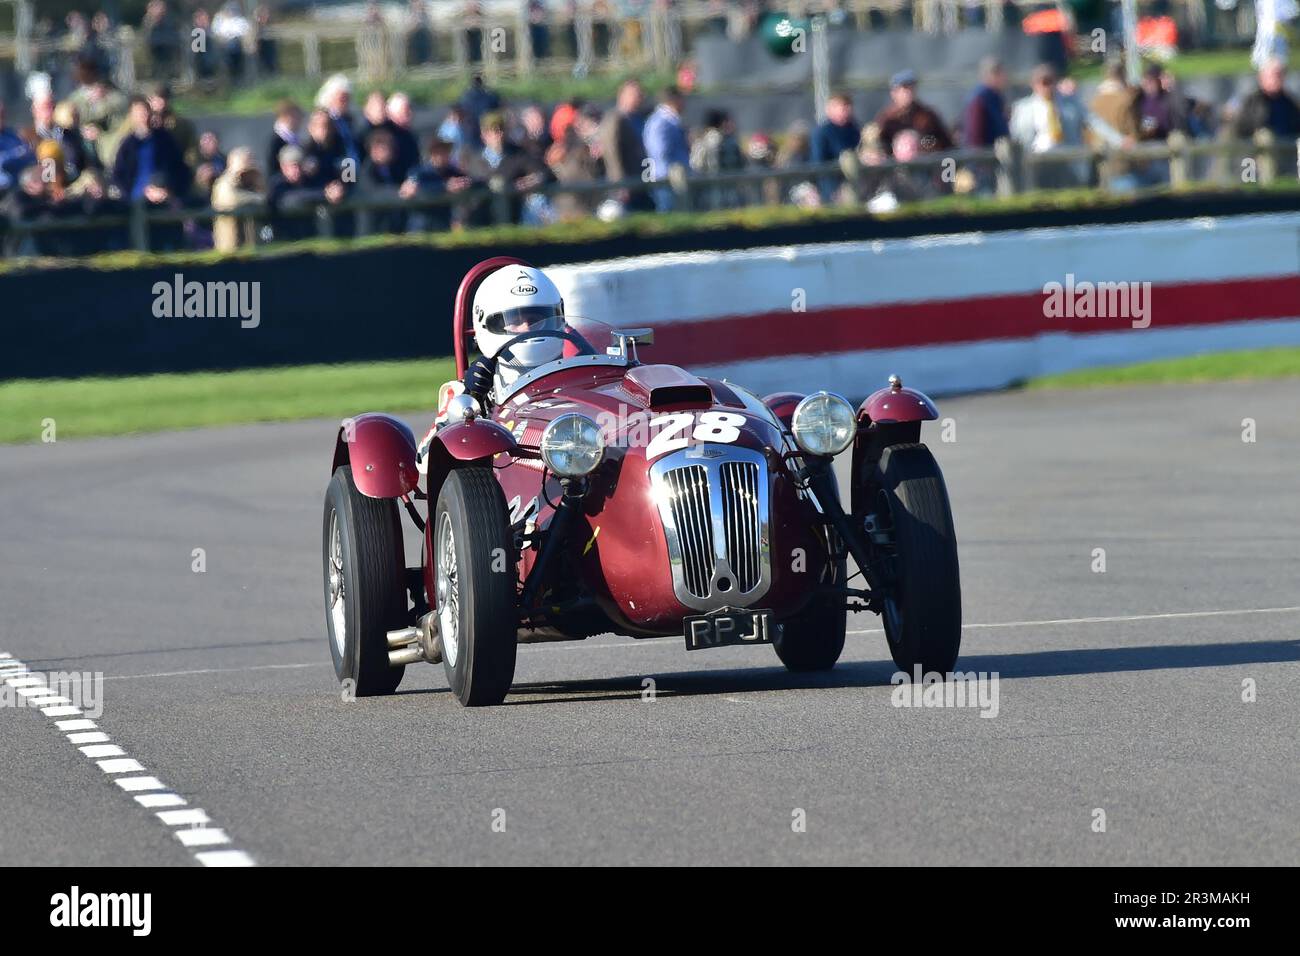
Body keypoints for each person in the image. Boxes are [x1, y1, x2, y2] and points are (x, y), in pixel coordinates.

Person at [461, 264, 569, 406]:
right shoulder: (464, 392)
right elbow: (443, 427)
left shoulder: (576, 369)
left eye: (536, 320)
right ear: (486, 323)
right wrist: (471, 397)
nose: (526, 329)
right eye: (515, 321)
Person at [460, 111, 552, 225]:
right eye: (493, 131)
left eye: (501, 130)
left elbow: (543, 173)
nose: (498, 135)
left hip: (514, 216)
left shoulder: (518, 154)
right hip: (483, 218)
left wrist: (531, 181)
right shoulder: (474, 160)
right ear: (484, 135)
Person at [1010, 63, 1086, 186]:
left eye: (1050, 82)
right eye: (1044, 83)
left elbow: (1094, 121)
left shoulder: (1070, 103)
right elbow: (1016, 135)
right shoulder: (1023, 107)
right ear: (1034, 84)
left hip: (1066, 160)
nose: (1047, 87)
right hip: (1037, 161)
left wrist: (1119, 140)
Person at [598, 78, 651, 211]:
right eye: (635, 94)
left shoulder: (638, 118)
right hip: (626, 183)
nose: (639, 98)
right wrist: (620, 182)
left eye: (640, 94)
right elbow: (611, 151)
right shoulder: (615, 118)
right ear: (623, 95)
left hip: (642, 178)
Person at [873, 70, 953, 156]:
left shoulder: (927, 116)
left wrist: (925, 146)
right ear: (894, 93)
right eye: (904, 88)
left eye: (911, 88)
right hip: (896, 167)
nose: (908, 93)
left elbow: (947, 146)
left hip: (924, 165)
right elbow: (878, 149)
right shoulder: (887, 119)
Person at [400, 137, 471, 232]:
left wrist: (464, 183)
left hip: (443, 223)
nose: (442, 155)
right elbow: (414, 188)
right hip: (421, 224)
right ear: (431, 153)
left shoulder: (452, 172)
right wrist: (445, 187)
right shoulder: (419, 172)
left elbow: (467, 181)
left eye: (445, 151)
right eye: (438, 151)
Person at [642, 85, 690, 211]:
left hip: (674, 179)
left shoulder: (670, 121)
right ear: (675, 100)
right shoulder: (660, 123)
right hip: (667, 180)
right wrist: (673, 169)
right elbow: (659, 152)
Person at [210, 146, 264, 251]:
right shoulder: (223, 184)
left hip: (253, 245)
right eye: (245, 170)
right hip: (230, 246)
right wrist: (257, 198)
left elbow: (265, 196)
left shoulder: (251, 183)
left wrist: (258, 184)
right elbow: (232, 200)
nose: (248, 174)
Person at [1234, 57, 1300, 141]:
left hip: (1284, 151)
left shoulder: (1291, 104)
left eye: (1281, 75)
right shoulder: (1251, 103)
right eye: (1274, 75)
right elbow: (1239, 132)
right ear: (1262, 77)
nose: (1277, 79)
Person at [962, 57, 1010, 148]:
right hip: (985, 159)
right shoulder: (979, 100)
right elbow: (975, 138)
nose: (1005, 77)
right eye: (1000, 73)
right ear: (989, 75)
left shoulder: (996, 98)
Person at [266, 100, 303, 173]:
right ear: (286, 117)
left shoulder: (294, 138)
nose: (300, 120)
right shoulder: (276, 141)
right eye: (296, 116)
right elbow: (272, 167)